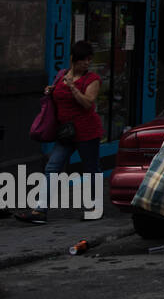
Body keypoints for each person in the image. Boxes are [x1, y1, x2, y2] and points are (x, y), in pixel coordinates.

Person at [16, 40, 103, 224]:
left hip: (87, 132)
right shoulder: (62, 75)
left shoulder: (92, 79)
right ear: (73, 59)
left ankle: (94, 208)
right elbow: (56, 97)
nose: (86, 63)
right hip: (66, 133)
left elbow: (88, 103)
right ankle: (40, 211)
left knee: (90, 170)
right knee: (52, 167)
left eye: (89, 60)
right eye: (83, 60)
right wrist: (50, 91)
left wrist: (72, 88)